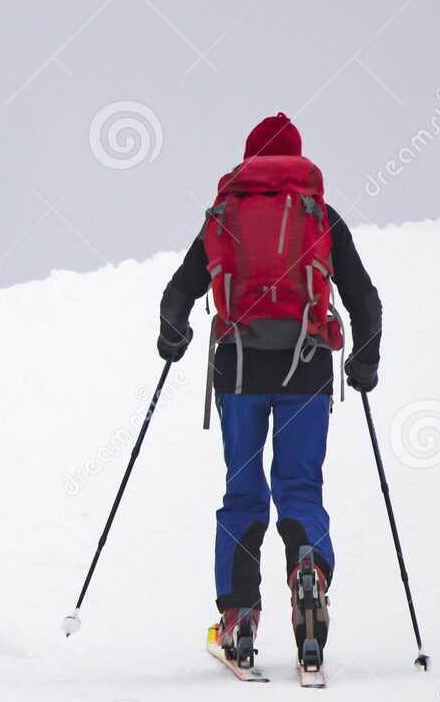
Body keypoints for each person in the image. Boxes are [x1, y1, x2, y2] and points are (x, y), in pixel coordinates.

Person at [157, 112, 381, 673]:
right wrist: (364, 362)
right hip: (307, 368)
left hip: (239, 373)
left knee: (244, 492)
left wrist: (173, 339)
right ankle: (308, 570)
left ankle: (238, 619)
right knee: (300, 486)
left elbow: (175, 295)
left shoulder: (223, 214)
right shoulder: (319, 215)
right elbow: (366, 302)